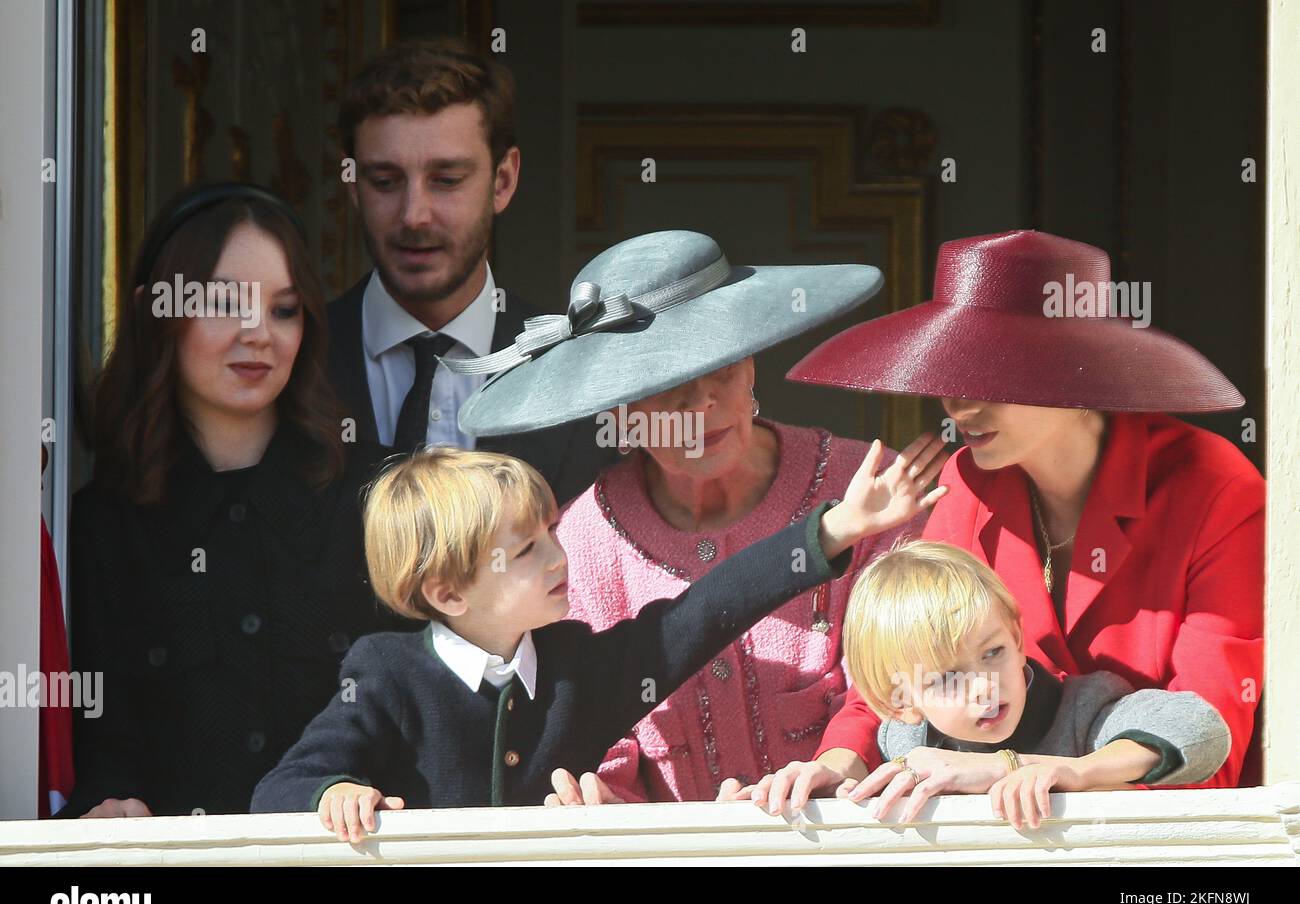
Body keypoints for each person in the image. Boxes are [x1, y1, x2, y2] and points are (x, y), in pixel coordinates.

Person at [750, 229, 1263, 814]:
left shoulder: (1216, 487)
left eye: (993, 374)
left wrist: (1017, 769)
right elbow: (905, 665)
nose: (958, 407)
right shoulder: (969, 482)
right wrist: (834, 766)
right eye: (950, 372)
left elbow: (1211, 738)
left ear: (1080, 371)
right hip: (997, 834)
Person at [249, 434, 940, 842]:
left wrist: (833, 532)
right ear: (448, 593)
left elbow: (702, 613)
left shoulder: (576, 664)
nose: (560, 558)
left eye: (553, 533)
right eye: (525, 551)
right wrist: (331, 794)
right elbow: (281, 787)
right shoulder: (384, 671)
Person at [445, 228, 935, 804]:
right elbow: (598, 733)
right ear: (617, 407)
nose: (702, 404)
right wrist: (601, 798)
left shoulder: (871, 490)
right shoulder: (580, 545)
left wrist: (837, 765)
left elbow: (913, 680)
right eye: (668, 383)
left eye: (722, 369)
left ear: (752, 366)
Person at [60, 182, 419, 819]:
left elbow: (429, 704)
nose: (259, 334)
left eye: (284, 310)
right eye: (226, 304)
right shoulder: (100, 526)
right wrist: (108, 808)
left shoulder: (378, 493)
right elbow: (100, 733)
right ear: (158, 313)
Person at [327, 37, 615, 505]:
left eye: (446, 180)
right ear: (354, 187)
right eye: (384, 182)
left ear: (503, 182)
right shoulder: (290, 361)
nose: (413, 215)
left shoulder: (580, 380)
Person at [835, 540, 1230, 830]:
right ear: (901, 701)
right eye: (947, 678)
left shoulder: (1082, 709)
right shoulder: (907, 742)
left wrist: (1063, 771)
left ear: (1017, 639)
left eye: (992, 653)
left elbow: (1201, 730)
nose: (983, 687)